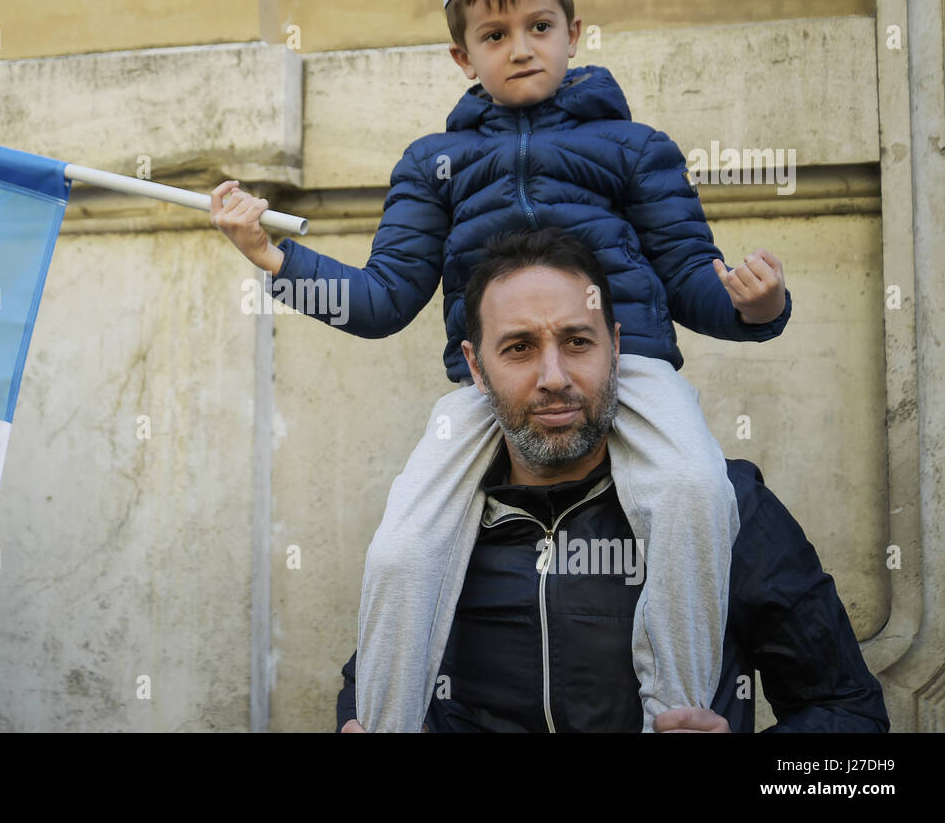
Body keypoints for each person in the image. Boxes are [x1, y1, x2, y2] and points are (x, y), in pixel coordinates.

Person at [210, 0, 792, 733]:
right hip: (491, 391)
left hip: (633, 372)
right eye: (495, 35)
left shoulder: (633, 149)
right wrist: (276, 259)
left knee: (695, 489)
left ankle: (679, 715)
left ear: (573, 32)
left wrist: (757, 307)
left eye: (539, 27)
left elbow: (694, 278)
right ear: (462, 57)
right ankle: (384, 724)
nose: (521, 49)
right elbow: (382, 300)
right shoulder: (433, 164)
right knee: (403, 547)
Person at [334, 230, 886, 733]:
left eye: (577, 342)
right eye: (519, 348)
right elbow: (369, 691)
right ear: (476, 368)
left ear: (616, 348)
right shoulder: (432, 525)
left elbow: (852, 718)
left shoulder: (725, 507)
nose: (555, 379)